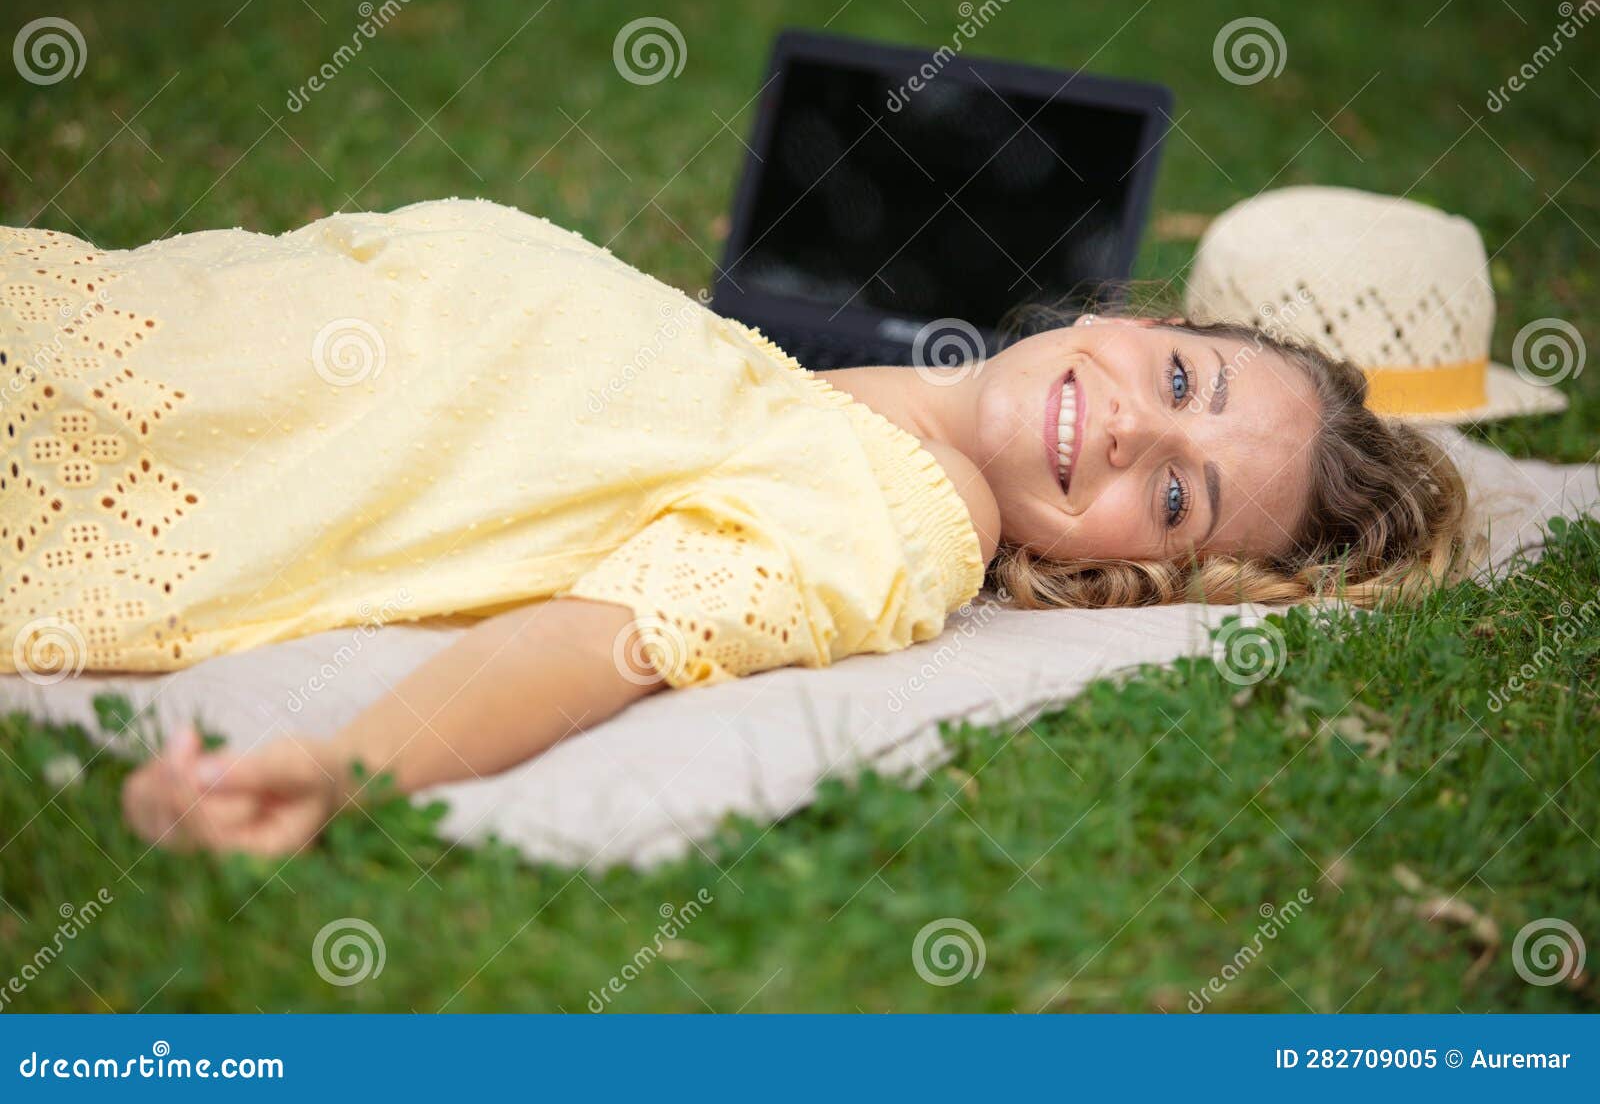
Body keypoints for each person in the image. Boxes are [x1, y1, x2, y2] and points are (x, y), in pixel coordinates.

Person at [0, 199, 1470, 856]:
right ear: (1126, 321)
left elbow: (610, 645)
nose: (1144, 427)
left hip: (118, 433)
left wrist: (339, 766)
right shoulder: (818, 395)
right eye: (1183, 379)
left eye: (1177, 491)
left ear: (1134, 569)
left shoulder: (900, 516)